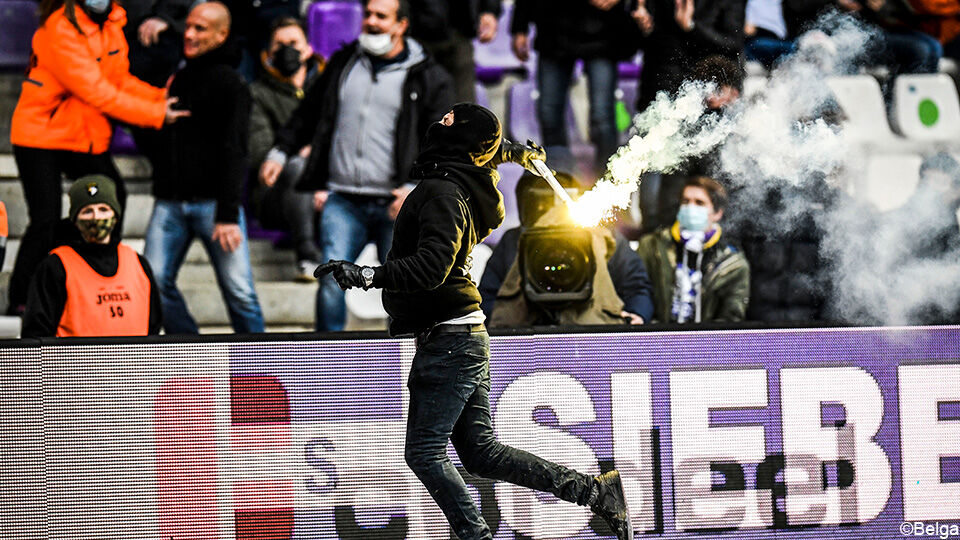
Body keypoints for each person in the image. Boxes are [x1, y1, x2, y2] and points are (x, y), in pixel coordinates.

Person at [315, 102, 633, 540]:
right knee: (480, 452)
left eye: (448, 120)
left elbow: (431, 267)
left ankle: (477, 537)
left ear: (459, 139)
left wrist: (368, 275)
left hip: (449, 340)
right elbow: (483, 147)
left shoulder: (442, 192)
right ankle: (596, 494)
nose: (438, 121)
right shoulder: (462, 182)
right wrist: (517, 152)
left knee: (425, 453)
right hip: (461, 334)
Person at [260, 0, 455, 331]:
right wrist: (280, 151)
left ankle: (406, 358)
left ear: (401, 25)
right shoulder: (343, 63)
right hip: (343, 198)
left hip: (396, 204)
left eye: (382, 16)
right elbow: (308, 113)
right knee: (330, 282)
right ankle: (325, 366)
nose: (371, 22)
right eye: (367, 14)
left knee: (402, 289)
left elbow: (441, 143)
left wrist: (412, 188)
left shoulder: (428, 76)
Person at [7, 0, 186, 316]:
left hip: (83, 136)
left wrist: (159, 97)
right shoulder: (58, 27)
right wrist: (156, 113)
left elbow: (119, 79)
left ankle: (87, 269)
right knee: (45, 218)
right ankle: (21, 297)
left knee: (113, 196)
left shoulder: (113, 22)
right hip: (40, 135)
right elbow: (96, 91)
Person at [144, 1, 265, 334]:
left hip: (215, 208)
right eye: (189, 26)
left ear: (221, 34)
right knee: (153, 284)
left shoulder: (232, 84)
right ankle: (194, 351)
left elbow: (235, 150)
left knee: (240, 294)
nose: (190, 34)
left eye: (201, 28)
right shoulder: (178, 76)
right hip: (169, 201)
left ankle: (262, 369)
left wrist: (227, 214)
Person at [479, 170, 654, 325]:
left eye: (561, 197)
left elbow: (637, 287)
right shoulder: (513, 240)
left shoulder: (606, 238)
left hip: (590, 337)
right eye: (542, 202)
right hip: (530, 335)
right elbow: (487, 297)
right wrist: (503, 322)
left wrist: (636, 314)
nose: (552, 211)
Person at [22, 176, 162, 338]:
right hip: (74, 363)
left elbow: (154, 326)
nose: (96, 217)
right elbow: (36, 332)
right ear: (75, 220)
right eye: (87, 211)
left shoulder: (138, 263)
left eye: (103, 209)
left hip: (133, 362)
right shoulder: (56, 266)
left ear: (115, 216)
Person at [511, 0, 640, 174]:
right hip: (553, 28)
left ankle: (610, 186)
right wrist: (520, 26)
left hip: (602, 30)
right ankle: (559, 181)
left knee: (603, 118)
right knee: (549, 114)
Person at [248, 16, 323, 281]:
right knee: (296, 166)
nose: (287, 50)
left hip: (329, 190)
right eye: (279, 45)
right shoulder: (256, 94)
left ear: (309, 48)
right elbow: (260, 155)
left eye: (293, 42)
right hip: (275, 194)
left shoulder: (328, 88)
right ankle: (307, 256)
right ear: (268, 53)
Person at [636, 176, 750, 323]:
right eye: (685, 201)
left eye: (699, 203)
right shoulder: (652, 246)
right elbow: (639, 292)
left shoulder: (733, 265)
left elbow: (730, 319)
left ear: (717, 213)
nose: (691, 208)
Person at [631, 0, 746, 114]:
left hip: (705, 92)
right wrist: (639, 19)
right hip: (659, 90)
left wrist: (692, 27)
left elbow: (733, 43)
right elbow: (627, 44)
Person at [408, 0, 501, 103]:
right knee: (414, 104)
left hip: (460, 29)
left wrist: (489, 10)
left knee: (464, 107)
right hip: (415, 33)